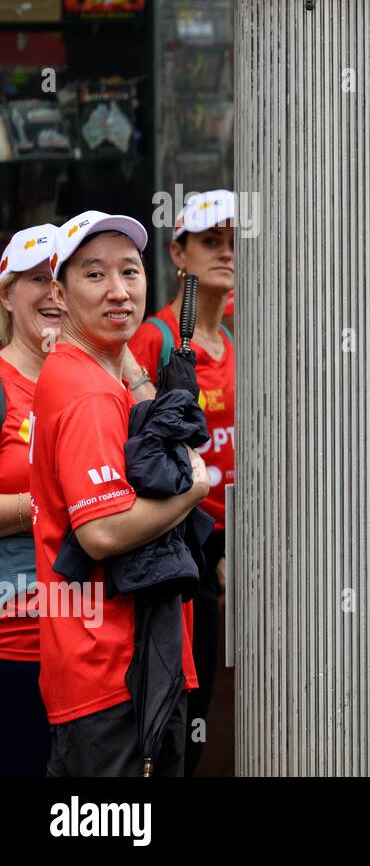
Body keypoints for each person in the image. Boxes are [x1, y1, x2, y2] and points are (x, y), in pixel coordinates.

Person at [32, 211, 209, 777]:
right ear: (58, 293)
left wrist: (132, 372)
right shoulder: (85, 391)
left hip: (121, 670)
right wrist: (194, 487)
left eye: (130, 272)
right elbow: (102, 532)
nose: (119, 291)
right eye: (94, 275)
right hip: (112, 675)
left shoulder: (93, 371)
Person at [127, 189, 236, 776]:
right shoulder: (159, 337)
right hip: (183, 541)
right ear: (178, 252)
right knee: (183, 699)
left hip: (235, 539)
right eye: (211, 241)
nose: (227, 253)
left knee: (226, 699)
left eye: (236, 242)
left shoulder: (237, 338)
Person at [0, 226, 58, 776]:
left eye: (64, 278)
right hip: (13, 640)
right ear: (6, 294)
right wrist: (42, 506)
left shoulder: (94, 382)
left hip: (90, 644)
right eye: (38, 278)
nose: (54, 291)